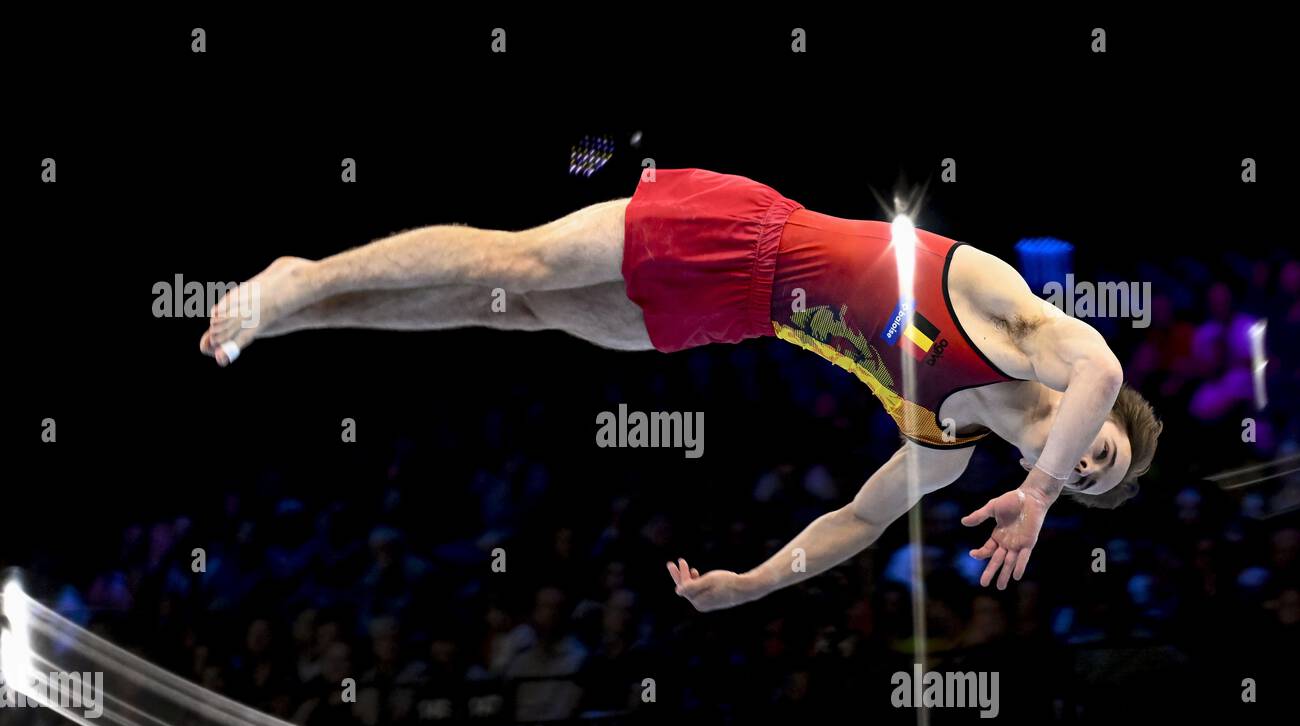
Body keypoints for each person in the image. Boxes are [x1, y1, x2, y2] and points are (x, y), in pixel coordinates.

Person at [200, 169, 1161, 608]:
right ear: (1096, 420)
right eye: (1096, 451)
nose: (1072, 465)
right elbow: (1102, 369)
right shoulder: (1019, 322)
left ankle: (302, 306)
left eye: (1080, 480)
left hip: (735, 316)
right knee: (527, 263)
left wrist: (751, 583)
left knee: (515, 314)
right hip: (741, 229)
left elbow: (861, 524)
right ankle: (307, 276)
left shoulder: (942, 444)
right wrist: (1038, 497)